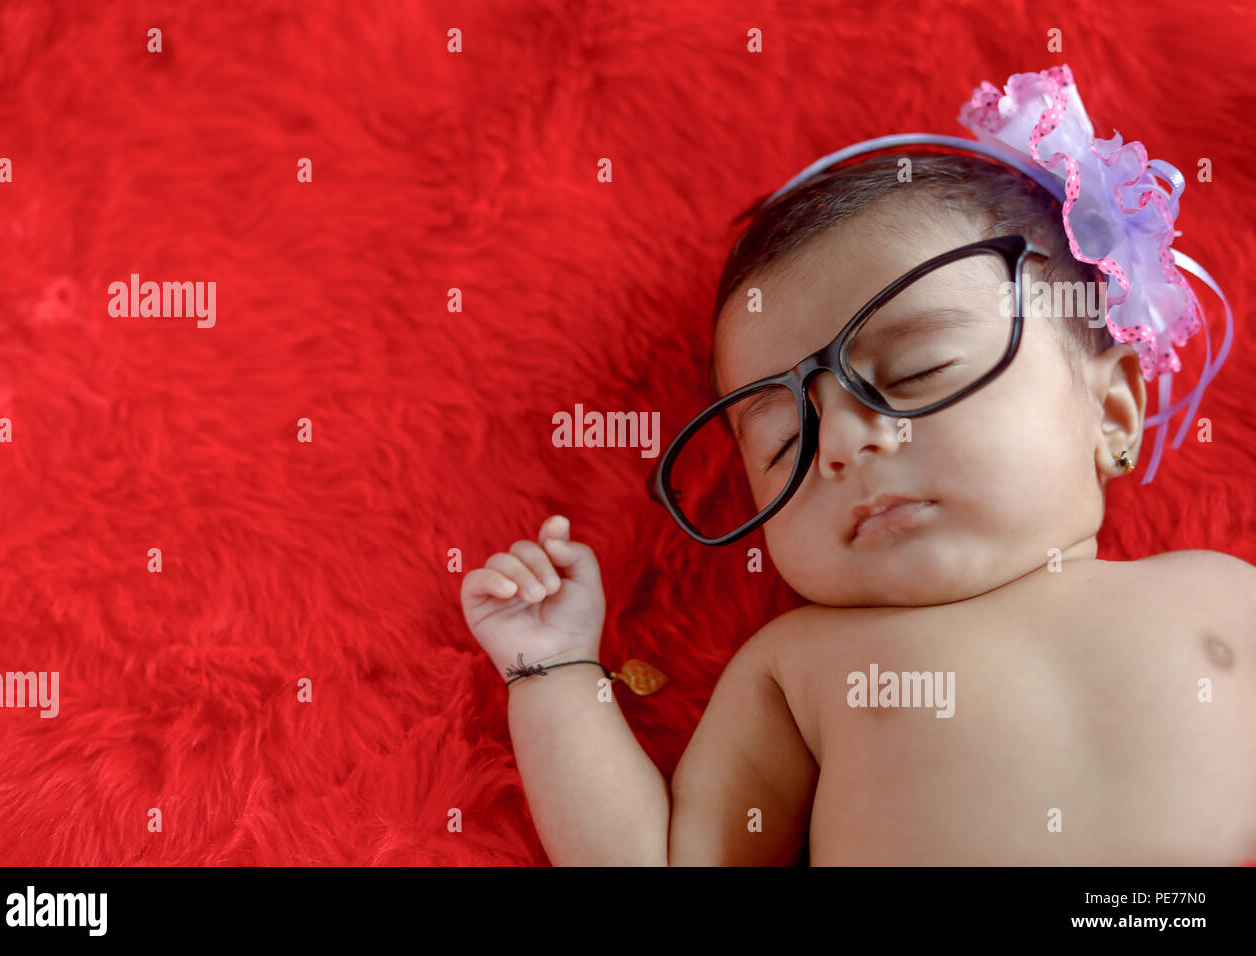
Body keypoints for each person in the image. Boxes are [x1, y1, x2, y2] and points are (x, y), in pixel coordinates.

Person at [458, 65, 1255, 865]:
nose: (839, 446)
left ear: (1113, 411)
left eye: (915, 373)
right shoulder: (800, 667)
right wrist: (551, 672)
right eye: (783, 445)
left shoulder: (1222, 589)